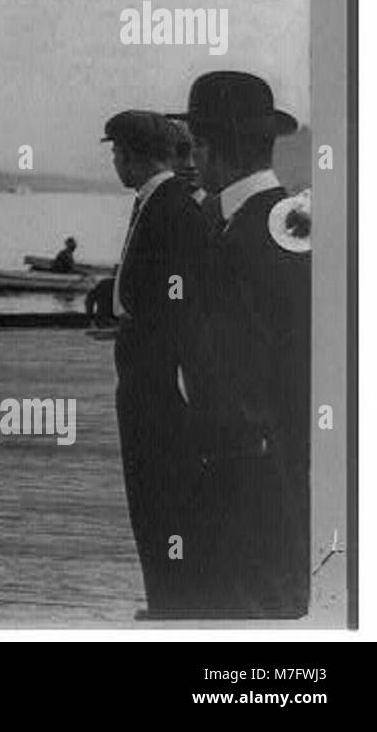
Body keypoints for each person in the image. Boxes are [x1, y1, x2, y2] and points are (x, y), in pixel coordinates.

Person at [171, 72, 311, 618]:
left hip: (245, 474)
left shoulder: (234, 239)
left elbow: (225, 376)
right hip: (292, 461)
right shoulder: (292, 221)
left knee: (249, 606)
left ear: (207, 149)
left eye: (194, 148)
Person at [101, 109, 210, 616]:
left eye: (118, 153)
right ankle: (163, 598)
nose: (116, 163)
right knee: (147, 491)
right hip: (143, 368)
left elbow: (180, 301)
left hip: (155, 374)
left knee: (158, 492)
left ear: (131, 155)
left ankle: (172, 602)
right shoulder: (158, 202)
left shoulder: (169, 208)